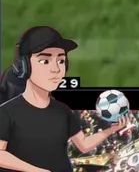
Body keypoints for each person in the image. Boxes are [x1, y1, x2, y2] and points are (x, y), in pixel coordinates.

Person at [0, 27, 126, 172]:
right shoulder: (6, 112)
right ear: (23, 66)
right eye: (44, 61)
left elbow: (84, 145)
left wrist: (110, 130)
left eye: (60, 60)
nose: (56, 69)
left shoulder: (63, 110)